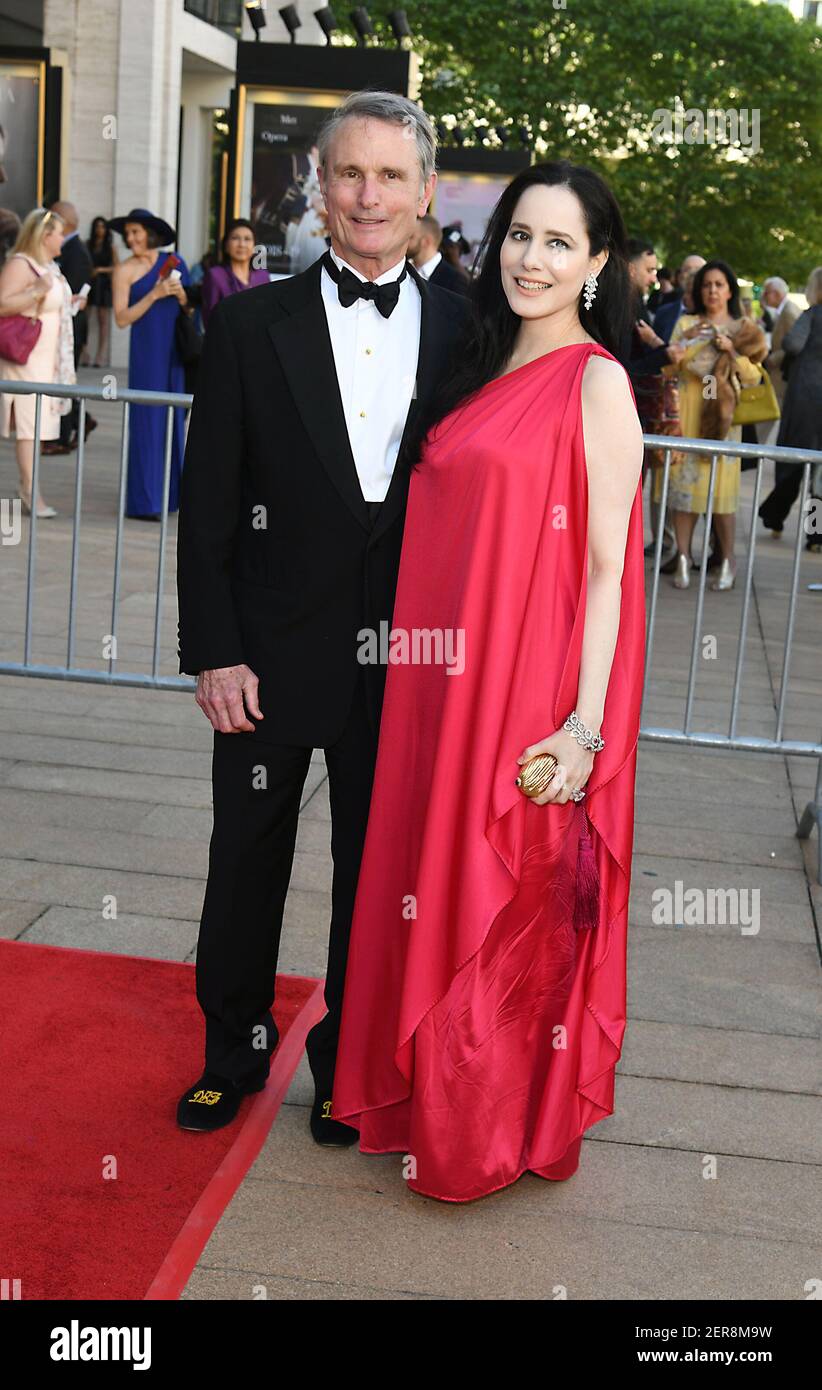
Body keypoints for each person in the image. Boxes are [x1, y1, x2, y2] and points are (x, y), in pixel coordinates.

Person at [330, 160, 646, 1203]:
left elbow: (608, 572)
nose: (532, 258)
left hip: (526, 695)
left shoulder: (599, 384)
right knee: (429, 889)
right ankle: (427, 1104)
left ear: (597, 263)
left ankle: (489, 1131)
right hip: (435, 693)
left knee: (503, 911)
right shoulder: (469, 358)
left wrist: (584, 728)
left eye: (560, 243)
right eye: (520, 234)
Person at [174, 90, 469, 1140]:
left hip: (407, 658)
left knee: (375, 869)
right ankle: (232, 1047)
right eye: (350, 173)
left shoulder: (470, 331)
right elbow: (207, 502)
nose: (369, 194)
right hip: (267, 649)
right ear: (320, 188)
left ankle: (347, 1064)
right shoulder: (252, 322)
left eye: (392, 175)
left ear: (426, 192)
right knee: (246, 854)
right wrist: (214, 651)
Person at [658, 259, 768, 591]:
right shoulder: (687, 324)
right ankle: (682, 556)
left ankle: (728, 560)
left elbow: (753, 377)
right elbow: (670, 368)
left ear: (730, 289)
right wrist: (687, 344)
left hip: (722, 424)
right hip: (689, 417)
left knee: (722, 495)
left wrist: (732, 352)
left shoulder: (742, 327)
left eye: (719, 285)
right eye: (707, 285)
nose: (713, 291)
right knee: (684, 492)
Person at [111, 207, 191, 520]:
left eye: (136, 232)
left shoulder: (174, 261)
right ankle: (145, 502)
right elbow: (121, 318)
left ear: (150, 233)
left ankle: (172, 497)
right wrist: (154, 294)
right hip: (146, 353)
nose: (130, 238)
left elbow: (187, 308)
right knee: (146, 420)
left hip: (173, 350)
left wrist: (180, 295)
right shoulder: (125, 270)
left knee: (173, 420)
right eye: (127, 233)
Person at [0, 207, 76, 517]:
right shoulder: (21, 264)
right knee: (30, 426)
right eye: (60, 232)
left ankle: (30, 487)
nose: (64, 238)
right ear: (45, 236)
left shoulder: (49, 266)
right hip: (26, 357)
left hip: (48, 359)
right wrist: (36, 291)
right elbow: (3, 304)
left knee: (40, 425)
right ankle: (30, 490)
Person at [758, 267, 822, 548]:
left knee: (794, 463)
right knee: (819, 476)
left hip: (806, 399)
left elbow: (793, 344)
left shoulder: (812, 315)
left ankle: (775, 514)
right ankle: (816, 534)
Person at [52, 200, 97, 455]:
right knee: (65, 381)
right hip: (65, 329)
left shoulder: (76, 252)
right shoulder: (69, 248)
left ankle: (63, 434)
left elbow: (73, 295)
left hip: (72, 329)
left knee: (66, 382)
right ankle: (81, 419)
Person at [200, 218, 270, 330]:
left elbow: (268, 314)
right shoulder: (215, 275)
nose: (242, 244)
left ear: (254, 247)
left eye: (247, 239)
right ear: (226, 246)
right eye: (235, 238)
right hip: (225, 343)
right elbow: (210, 319)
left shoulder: (263, 276)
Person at [83, 215, 118, 367]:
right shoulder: (88, 244)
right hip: (90, 284)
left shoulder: (110, 247)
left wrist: (100, 270)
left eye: (103, 226)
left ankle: (100, 355)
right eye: (97, 226)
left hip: (103, 284)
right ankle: (84, 353)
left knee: (103, 321)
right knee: (85, 319)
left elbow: (117, 267)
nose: (100, 230)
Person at [407, 213, 470, 296]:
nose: (405, 242)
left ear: (426, 242)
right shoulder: (401, 269)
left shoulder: (455, 281)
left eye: (411, 237)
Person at [653, 253, 706, 344]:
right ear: (679, 276)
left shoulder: (714, 315)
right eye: (687, 269)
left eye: (698, 270)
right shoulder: (663, 312)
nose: (691, 273)